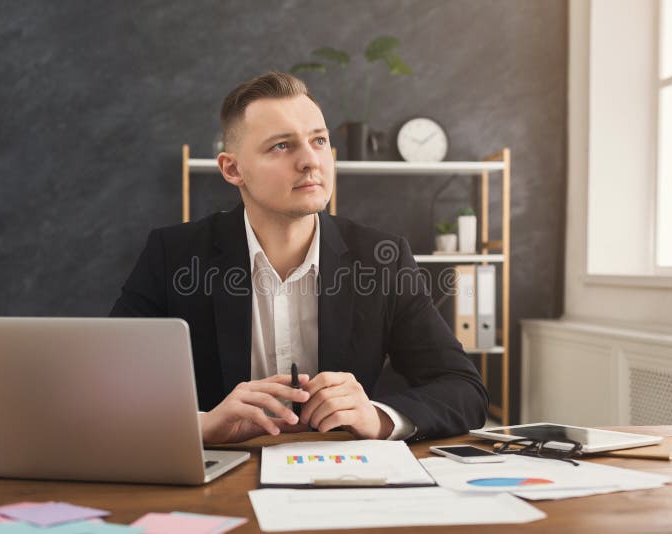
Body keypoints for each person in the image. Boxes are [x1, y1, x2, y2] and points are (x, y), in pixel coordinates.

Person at [110, 71, 488, 444]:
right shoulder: (173, 255)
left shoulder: (382, 260)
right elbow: (105, 387)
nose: (311, 161)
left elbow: (463, 389)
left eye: (319, 140)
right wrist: (202, 425)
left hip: (344, 478)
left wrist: (377, 417)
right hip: (216, 477)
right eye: (282, 146)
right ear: (232, 169)